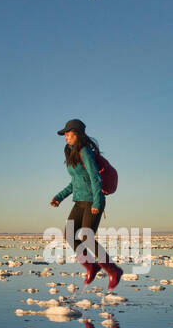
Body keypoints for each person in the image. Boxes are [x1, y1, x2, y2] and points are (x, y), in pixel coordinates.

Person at [49, 118, 122, 289]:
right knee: (69, 234)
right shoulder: (71, 152)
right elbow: (75, 182)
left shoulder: (85, 152)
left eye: (69, 134)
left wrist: (97, 201)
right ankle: (91, 266)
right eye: (65, 135)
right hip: (79, 201)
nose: (66, 137)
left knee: (86, 237)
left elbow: (95, 177)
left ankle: (113, 270)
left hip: (92, 201)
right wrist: (59, 197)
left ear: (78, 135)